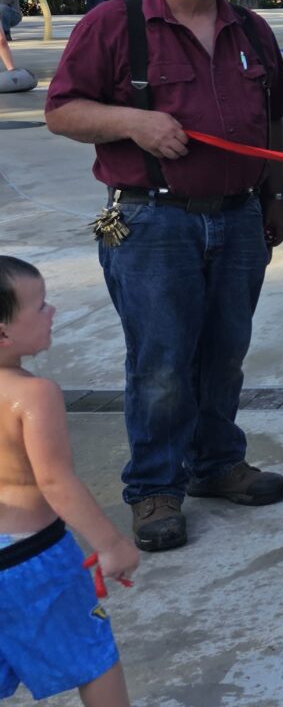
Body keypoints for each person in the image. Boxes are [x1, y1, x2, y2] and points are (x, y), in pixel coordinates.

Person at [45, 0, 283, 553]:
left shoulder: (252, 29)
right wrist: (134, 124)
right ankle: (155, 486)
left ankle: (216, 464)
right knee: (160, 362)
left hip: (240, 216)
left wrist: (278, 194)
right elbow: (63, 112)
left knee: (226, 352)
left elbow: (272, 118)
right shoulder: (115, 25)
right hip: (152, 219)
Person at [0, 257, 138, 707]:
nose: (53, 311)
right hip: (31, 559)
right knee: (93, 657)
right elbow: (56, 481)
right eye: (39, 307)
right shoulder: (33, 395)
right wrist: (110, 543)